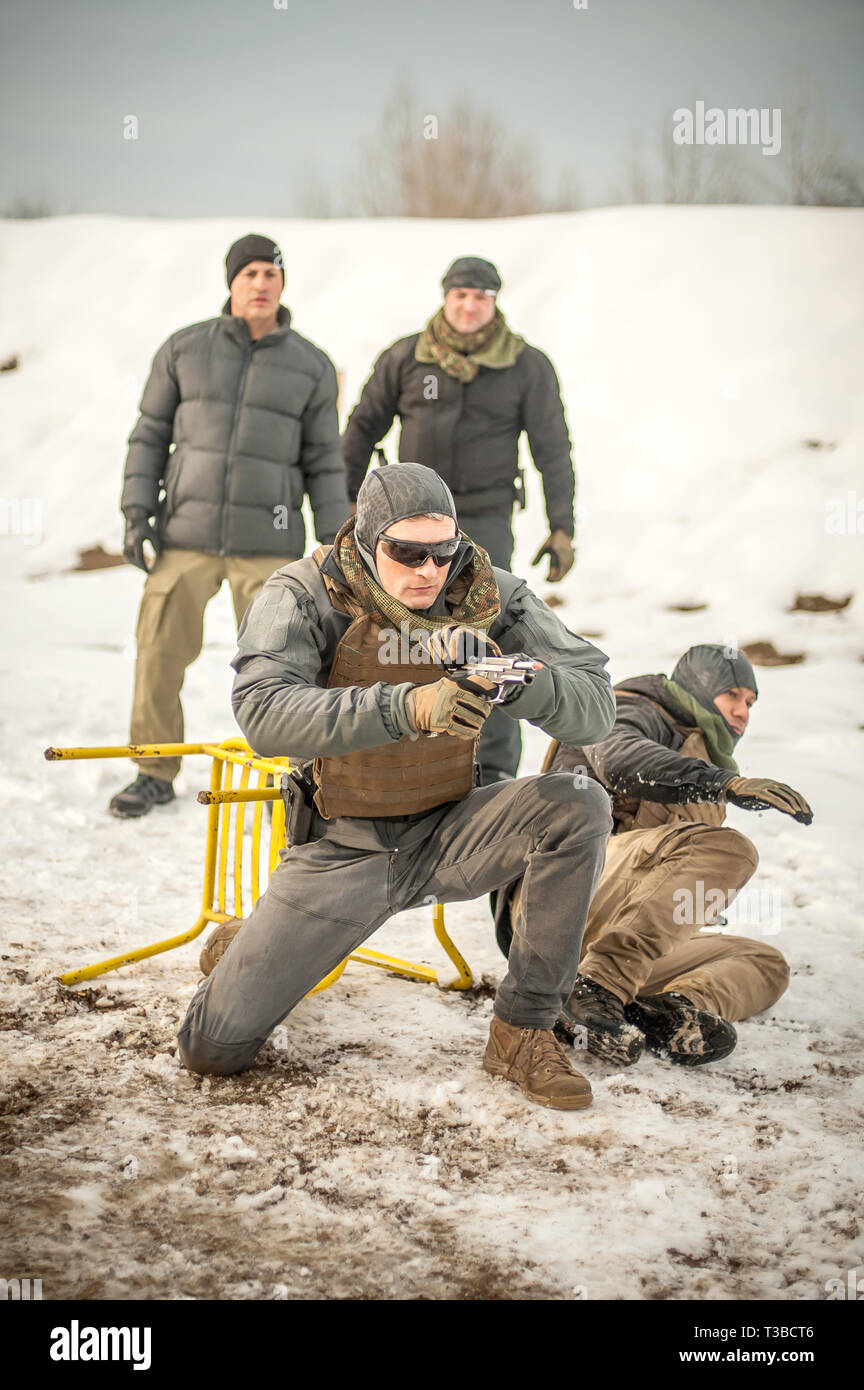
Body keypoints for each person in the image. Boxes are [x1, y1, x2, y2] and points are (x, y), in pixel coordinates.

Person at [178, 463, 616, 1112]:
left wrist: (519, 680)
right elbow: (264, 717)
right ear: (365, 540)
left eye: (443, 552)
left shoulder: (488, 593)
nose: (430, 571)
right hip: (342, 852)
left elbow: (596, 702)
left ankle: (523, 1029)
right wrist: (410, 709)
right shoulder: (302, 593)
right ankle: (252, 940)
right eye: (407, 553)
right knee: (211, 1051)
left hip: (449, 832)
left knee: (579, 805)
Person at [110, 233, 348, 818]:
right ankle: (153, 769)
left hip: (268, 544)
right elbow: (148, 434)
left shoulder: (311, 366)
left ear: (283, 284)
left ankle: (287, 778)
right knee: (159, 651)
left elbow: (324, 459)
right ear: (232, 283)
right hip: (184, 534)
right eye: (250, 275)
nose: (261, 284)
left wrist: (339, 540)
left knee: (284, 662)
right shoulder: (183, 350)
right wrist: (137, 511)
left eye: (271, 274)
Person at [493, 644, 813, 1068]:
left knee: (765, 964)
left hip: (614, 931)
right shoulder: (629, 710)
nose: (742, 712)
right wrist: (722, 785)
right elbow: (620, 759)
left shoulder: (700, 747)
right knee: (729, 849)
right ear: (699, 687)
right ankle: (597, 987)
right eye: (731, 695)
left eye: (750, 702)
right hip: (556, 899)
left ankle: (663, 1012)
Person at [341, 255, 577, 783]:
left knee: (484, 638)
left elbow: (553, 449)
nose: (470, 305)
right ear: (445, 297)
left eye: (482, 296)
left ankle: (491, 773)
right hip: (408, 523)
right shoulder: (407, 358)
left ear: (494, 302)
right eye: (461, 295)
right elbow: (359, 431)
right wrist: (350, 510)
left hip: (485, 520)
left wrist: (562, 526)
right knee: (397, 634)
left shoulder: (525, 366)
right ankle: (397, 752)